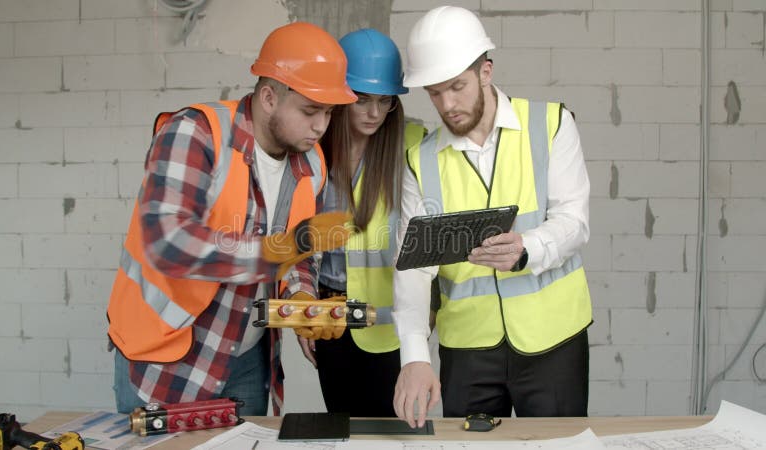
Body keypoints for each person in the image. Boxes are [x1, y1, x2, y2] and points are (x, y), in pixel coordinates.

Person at [106, 22, 356, 416]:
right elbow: (168, 242)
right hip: (167, 356)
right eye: (310, 110)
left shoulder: (312, 162)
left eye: (328, 112)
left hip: (247, 359)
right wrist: (279, 250)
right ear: (270, 97)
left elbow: (299, 252)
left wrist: (301, 299)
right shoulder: (195, 134)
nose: (321, 126)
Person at [392, 6, 593, 426]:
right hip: (467, 349)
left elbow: (575, 220)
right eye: (434, 92)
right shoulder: (420, 161)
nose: (447, 105)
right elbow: (413, 268)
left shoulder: (551, 125)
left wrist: (528, 247)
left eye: (457, 87)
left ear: (486, 71)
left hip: (552, 339)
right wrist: (413, 356)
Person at [294, 28, 426, 417]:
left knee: (393, 434)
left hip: (391, 325)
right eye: (362, 100)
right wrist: (306, 316)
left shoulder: (413, 142)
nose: (374, 113)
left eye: (384, 101)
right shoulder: (312, 148)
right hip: (329, 317)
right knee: (342, 429)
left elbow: (427, 234)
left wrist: (428, 312)